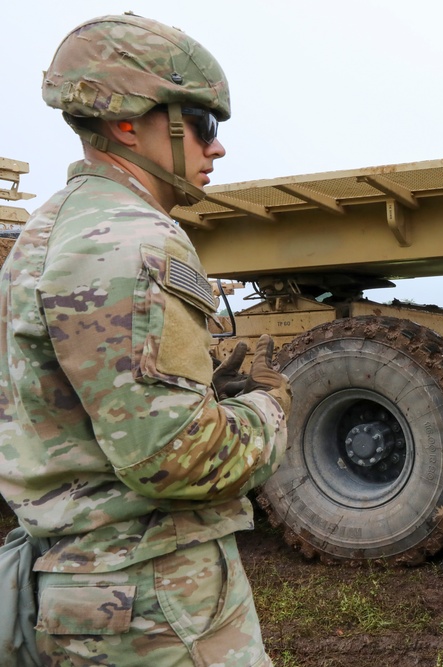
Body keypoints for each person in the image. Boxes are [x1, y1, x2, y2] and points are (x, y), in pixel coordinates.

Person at [0, 14, 290, 666]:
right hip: (158, 609)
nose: (216, 148)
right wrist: (269, 409)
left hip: (80, 595)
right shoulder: (138, 240)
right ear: (128, 122)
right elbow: (174, 456)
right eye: (203, 123)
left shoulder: (42, 235)